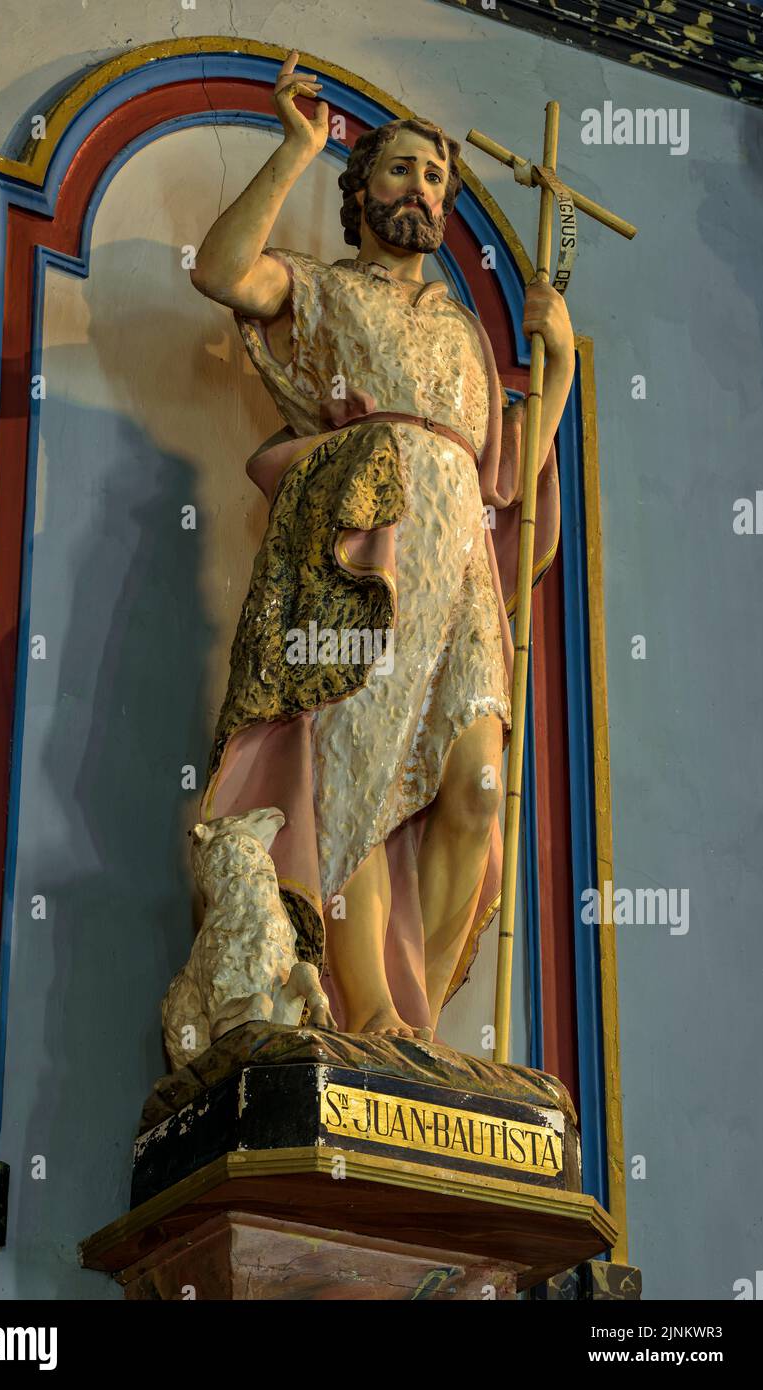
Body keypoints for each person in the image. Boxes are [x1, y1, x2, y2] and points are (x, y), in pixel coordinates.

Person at [191, 52, 575, 1040]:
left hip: (459, 577)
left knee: (478, 789)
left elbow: (507, 484)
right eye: (400, 170)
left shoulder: (463, 330)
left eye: (435, 177)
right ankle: (368, 1020)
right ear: (362, 194)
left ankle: (417, 1016)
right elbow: (221, 270)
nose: (420, 189)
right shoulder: (323, 292)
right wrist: (297, 146)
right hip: (366, 550)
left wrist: (560, 364)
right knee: (359, 769)